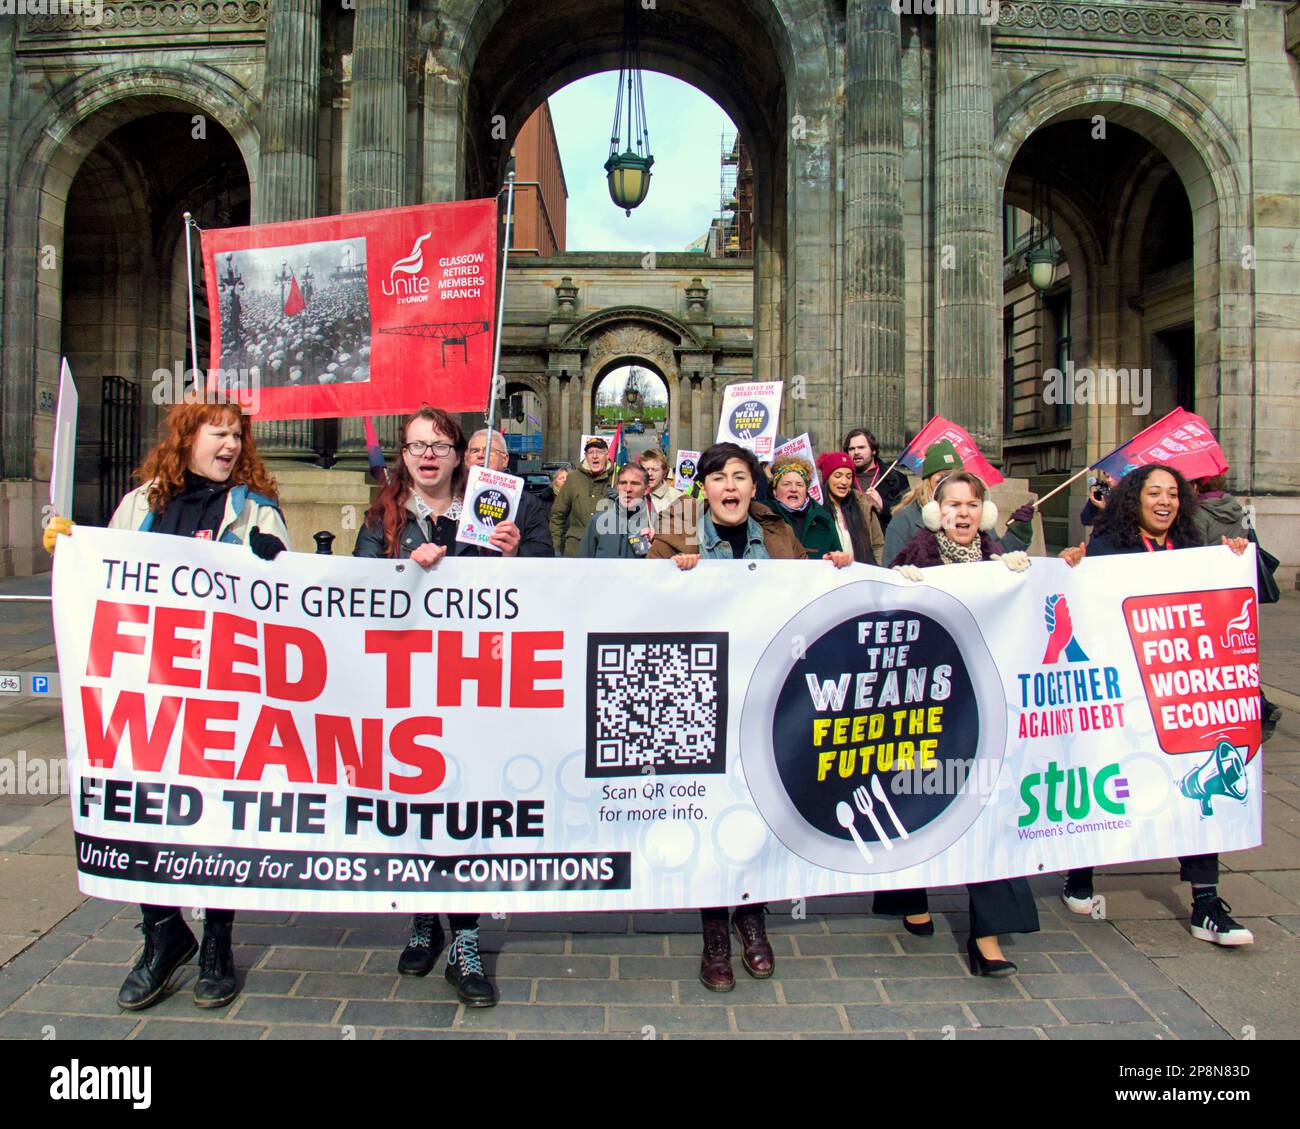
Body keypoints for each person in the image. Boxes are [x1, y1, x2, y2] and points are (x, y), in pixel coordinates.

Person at [45, 400, 290, 1012]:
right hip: (151, 687)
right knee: (148, 808)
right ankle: (161, 933)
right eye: (219, 433)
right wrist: (71, 547)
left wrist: (273, 559)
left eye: (237, 436)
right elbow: (106, 576)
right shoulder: (141, 504)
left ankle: (216, 939)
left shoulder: (255, 507)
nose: (230, 444)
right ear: (188, 438)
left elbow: (286, 593)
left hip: (224, 691)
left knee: (220, 816)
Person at [651, 442, 853, 990]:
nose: (731, 487)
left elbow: (806, 594)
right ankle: (715, 928)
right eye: (719, 478)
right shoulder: (676, 532)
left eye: (740, 476)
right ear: (705, 488)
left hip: (770, 696)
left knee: (760, 805)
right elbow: (650, 605)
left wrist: (832, 569)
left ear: (752, 484)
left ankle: (753, 915)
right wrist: (675, 575)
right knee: (713, 809)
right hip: (704, 695)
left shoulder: (778, 531)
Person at [353, 406, 525, 1006]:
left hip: (474, 690)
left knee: (469, 814)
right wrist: (401, 570)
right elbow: (355, 595)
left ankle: (468, 941)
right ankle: (424, 919)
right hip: (406, 692)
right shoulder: (382, 517)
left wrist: (512, 561)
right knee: (416, 810)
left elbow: (530, 604)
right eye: (415, 445)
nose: (427, 455)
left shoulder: (491, 512)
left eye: (440, 445)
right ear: (403, 455)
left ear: (458, 454)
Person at [1058, 464, 1256, 946]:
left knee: (1202, 775)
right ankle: (1079, 870)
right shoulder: (1106, 548)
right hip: (1123, 690)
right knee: (1101, 769)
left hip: (1179, 690)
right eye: (1154, 492)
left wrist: (1235, 558)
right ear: (1135, 499)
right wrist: (1069, 566)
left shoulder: (1196, 551)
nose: (1164, 501)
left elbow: (1243, 594)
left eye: (1173, 493)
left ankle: (1206, 902)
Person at [885, 471, 1039, 974]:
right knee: (915, 794)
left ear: (985, 512)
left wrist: (1027, 574)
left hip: (982, 706)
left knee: (991, 804)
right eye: (953, 504)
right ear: (936, 512)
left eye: (973, 504)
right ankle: (910, 895)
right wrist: (897, 583)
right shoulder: (914, 559)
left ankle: (988, 935)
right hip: (924, 706)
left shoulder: (1001, 561)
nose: (964, 513)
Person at [882, 438, 1035, 567]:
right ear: (927, 481)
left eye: (954, 475)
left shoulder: (975, 518)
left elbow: (998, 556)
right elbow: (891, 572)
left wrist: (1018, 533)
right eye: (942, 476)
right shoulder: (904, 519)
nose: (949, 481)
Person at [465, 428, 554, 557]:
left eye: (489, 451)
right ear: (466, 460)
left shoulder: (530, 504)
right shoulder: (453, 499)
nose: (480, 455)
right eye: (474, 451)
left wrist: (514, 552)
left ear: (505, 459)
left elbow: (544, 552)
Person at [550, 437, 616, 557]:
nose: (595, 456)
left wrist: (620, 500)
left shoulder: (617, 479)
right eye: (590, 452)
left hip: (607, 548)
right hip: (576, 548)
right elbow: (557, 515)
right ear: (586, 455)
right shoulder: (573, 479)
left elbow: (631, 515)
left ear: (607, 455)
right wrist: (556, 548)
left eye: (600, 452)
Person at [768, 454, 841, 560]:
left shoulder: (823, 519)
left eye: (799, 484)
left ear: (806, 491)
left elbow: (837, 555)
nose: (793, 489)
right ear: (775, 491)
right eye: (786, 484)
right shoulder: (763, 517)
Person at [818, 451, 885, 565]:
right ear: (827, 478)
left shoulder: (864, 506)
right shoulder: (816, 509)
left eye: (849, 477)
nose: (844, 482)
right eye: (838, 476)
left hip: (860, 574)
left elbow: (878, 545)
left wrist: (876, 569)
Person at [577, 462, 656, 558]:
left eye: (635, 484)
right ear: (617, 486)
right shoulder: (598, 521)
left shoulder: (657, 523)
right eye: (623, 483)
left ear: (646, 489)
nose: (628, 489)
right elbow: (582, 563)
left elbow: (667, 567)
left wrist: (656, 545)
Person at [844, 428, 906, 530]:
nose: (856, 452)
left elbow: (907, 515)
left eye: (861, 447)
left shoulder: (896, 478)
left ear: (873, 450)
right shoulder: (841, 480)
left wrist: (883, 505)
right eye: (851, 449)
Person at [638, 447, 682, 511]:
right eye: (646, 469)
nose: (650, 473)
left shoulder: (677, 498)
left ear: (664, 471)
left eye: (654, 469)